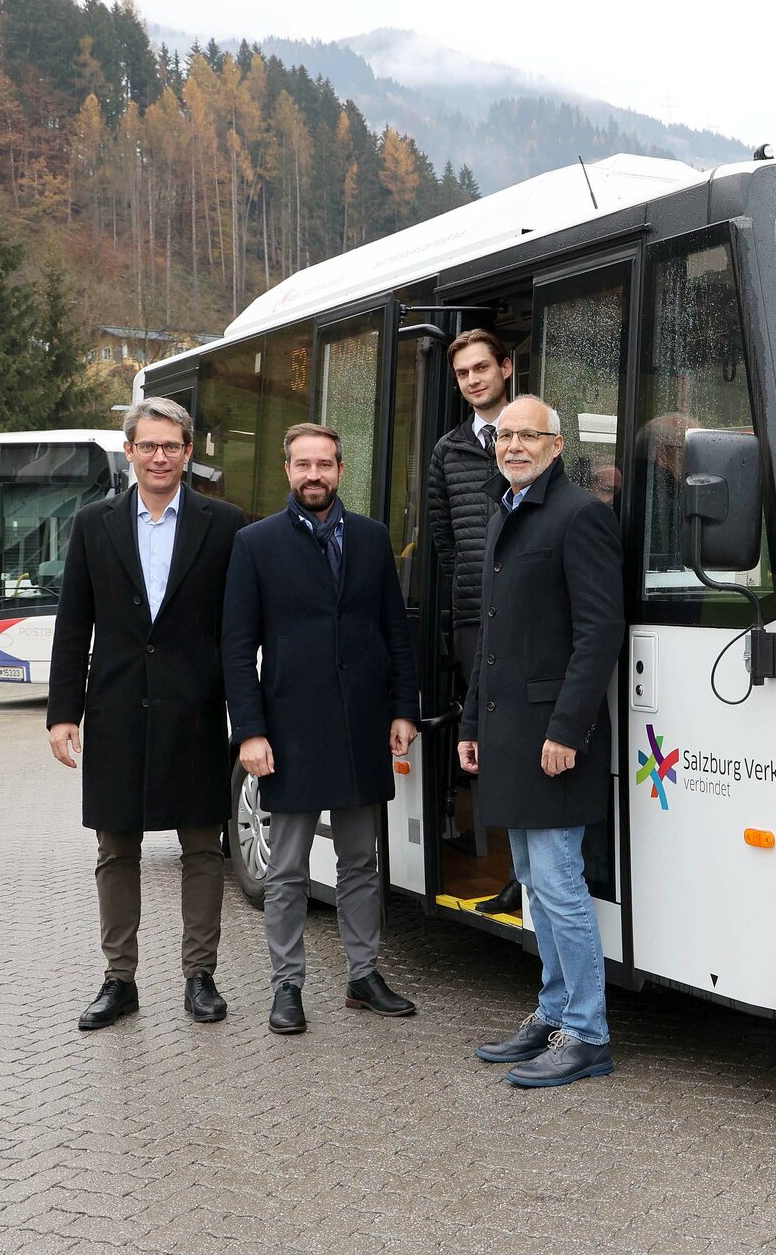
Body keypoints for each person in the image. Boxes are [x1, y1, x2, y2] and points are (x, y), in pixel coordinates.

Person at [46, 397, 246, 1031]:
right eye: (148, 445)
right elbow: (74, 625)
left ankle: (200, 976)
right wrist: (61, 712)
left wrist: (247, 718)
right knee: (116, 847)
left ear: (189, 453)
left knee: (202, 847)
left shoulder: (225, 524)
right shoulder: (93, 523)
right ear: (129, 451)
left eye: (172, 446)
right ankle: (119, 979)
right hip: (116, 710)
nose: (160, 456)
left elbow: (238, 632)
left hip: (195, 709)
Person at [223, 422, 420, 1036]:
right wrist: (249, 732)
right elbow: (236, 648)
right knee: (287, 871)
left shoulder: (369, 538)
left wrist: (402, 709)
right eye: (303, 464)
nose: (314, 475)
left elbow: (395, 632)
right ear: (287, 470)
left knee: (362, 862)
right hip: (290, 733)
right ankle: (287, 987)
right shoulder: (255, 545)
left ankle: (363, 976)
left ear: (341, 469)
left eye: (325, 465)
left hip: (362, 728)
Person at [459, 396, 624, 1087]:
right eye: (506, 434)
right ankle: (553, 1008)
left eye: (531, 435)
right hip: (508, 734)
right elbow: (492, 635)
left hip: (554, 738)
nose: (515, 444)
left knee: (559, 882)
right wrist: (471, 723)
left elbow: (598, 633)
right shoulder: (507, 509)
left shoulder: (580, 514)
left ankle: (587, 1031)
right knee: (532, 879)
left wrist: (568, 729)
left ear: (557, 447)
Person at [424, 328, 517, 911]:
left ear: (506, 367)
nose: (473, 380)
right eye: (463, 374)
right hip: (473, 619)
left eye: (482, 368)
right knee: (489, 744)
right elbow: (445, 541)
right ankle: (507, 870)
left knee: (528, 742)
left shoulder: (536, 433)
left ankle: (527, 875)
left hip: (529, 613)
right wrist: (467, 601)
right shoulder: (447, 451)